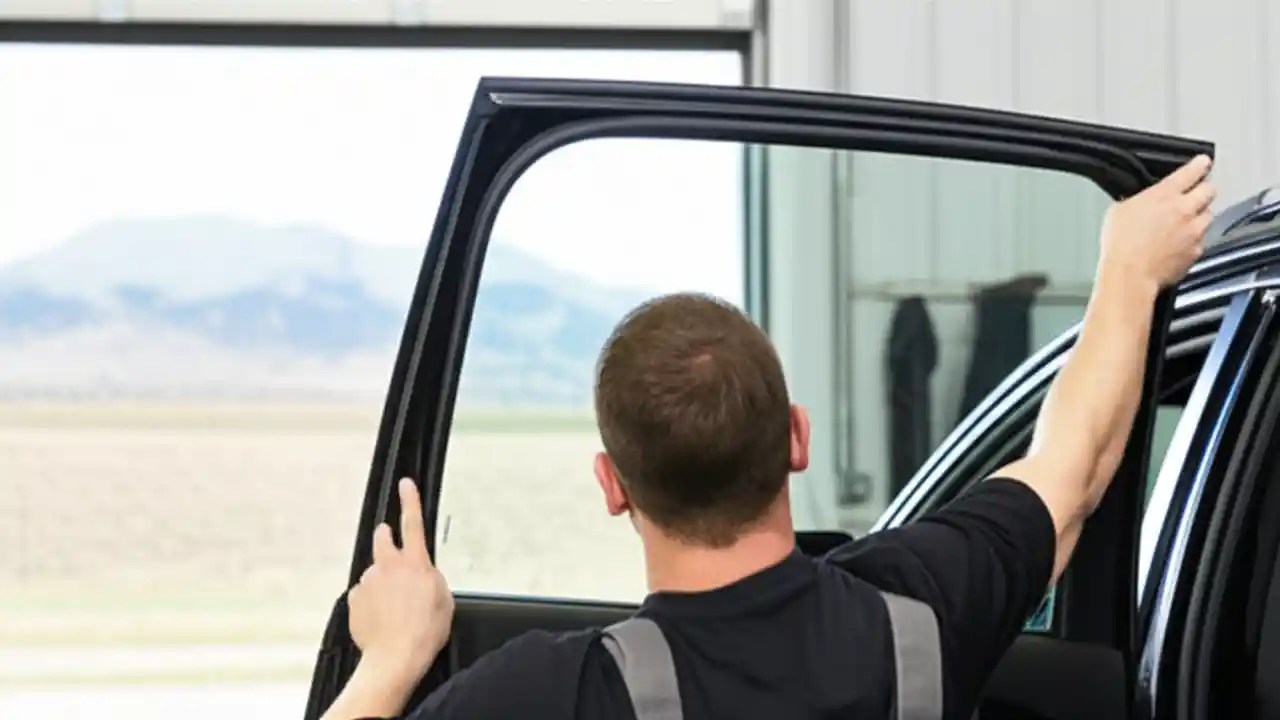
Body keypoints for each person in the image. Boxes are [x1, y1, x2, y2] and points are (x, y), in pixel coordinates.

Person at [321, 155, 1216, 720]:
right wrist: (1128, 272)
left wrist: (395, 660)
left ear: (613, 486)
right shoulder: (922, 610)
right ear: (797, 437)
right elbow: (1077, 467)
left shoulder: (554, 693)